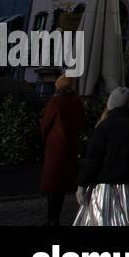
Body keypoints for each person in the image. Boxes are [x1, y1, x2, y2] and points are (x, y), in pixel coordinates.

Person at [74, 87, 129, 226]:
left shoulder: (104, 126)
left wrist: (81, 185)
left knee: (101, 220)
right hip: (126, 185)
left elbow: (93, 159)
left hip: (105, 185)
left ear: (110, 103)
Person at [39, 76, 84, 226]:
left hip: (56, 147)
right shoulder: (77, 102)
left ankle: (52, 218)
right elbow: (82, 122)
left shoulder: (56, 102)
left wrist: (48, 138)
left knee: (52, 184)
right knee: (61, 184)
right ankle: (55, 217)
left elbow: (45, 124)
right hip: (71, 146)